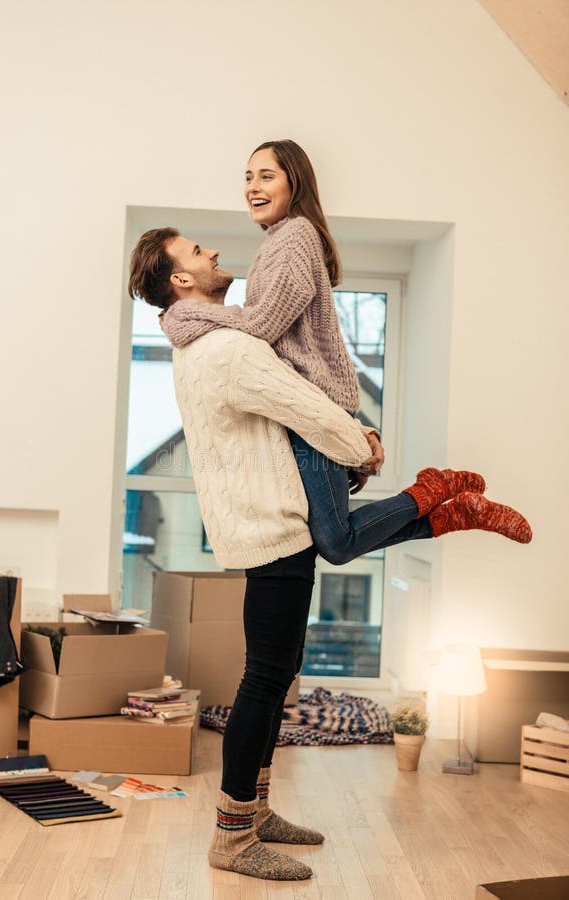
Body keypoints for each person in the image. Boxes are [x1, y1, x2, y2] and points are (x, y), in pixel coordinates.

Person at [128, 228, 531, 883]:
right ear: (179, 280)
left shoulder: (196, 345)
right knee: (263, 683)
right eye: (195, 251)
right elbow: (301, 405)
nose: (210, 253)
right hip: (272, 530)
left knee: (277, 676)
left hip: (264, 524)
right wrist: (360, 443)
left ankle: (254, 812)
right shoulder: (225, 347)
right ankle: (232, 839)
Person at [160, 139, 532, 560]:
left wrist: (185, 317)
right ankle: (451, 514)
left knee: (336, 543)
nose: (252, 187)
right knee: (333, 541)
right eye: (247, 177)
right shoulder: (277, 244)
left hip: (315, 408)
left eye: (266, 176)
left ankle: (436, 492)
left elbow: (260, 325)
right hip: (305, 410)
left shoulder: (295, 236)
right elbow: (263, 326)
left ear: (293, 183)